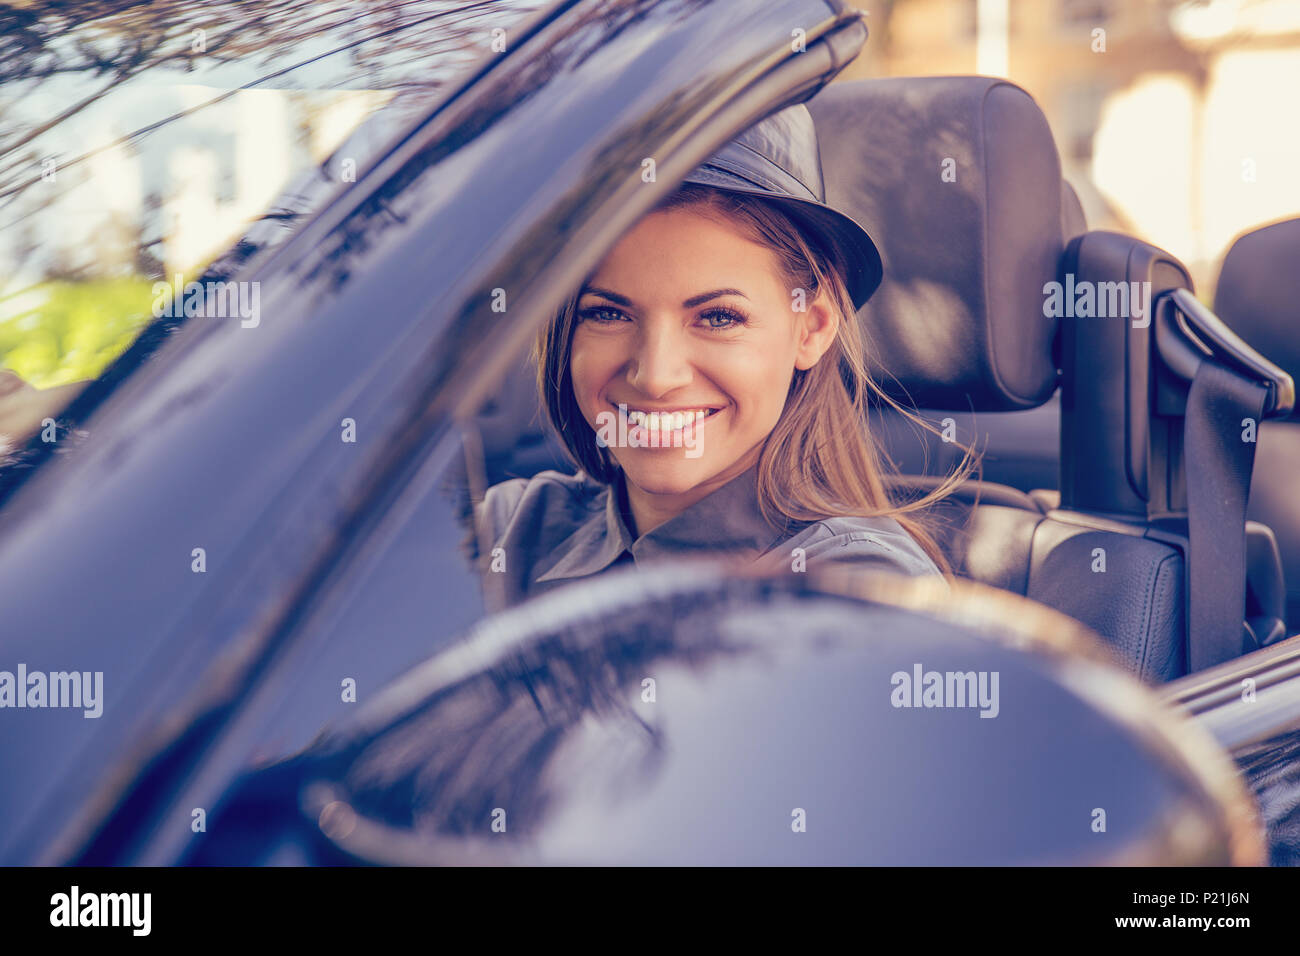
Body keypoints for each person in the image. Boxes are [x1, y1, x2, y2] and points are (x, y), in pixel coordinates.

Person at [476, 104, 974, 612]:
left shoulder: (861, 589)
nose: (655, 376)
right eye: (608, 313)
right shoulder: (511, 529)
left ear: (813, 326)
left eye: (718, 318)